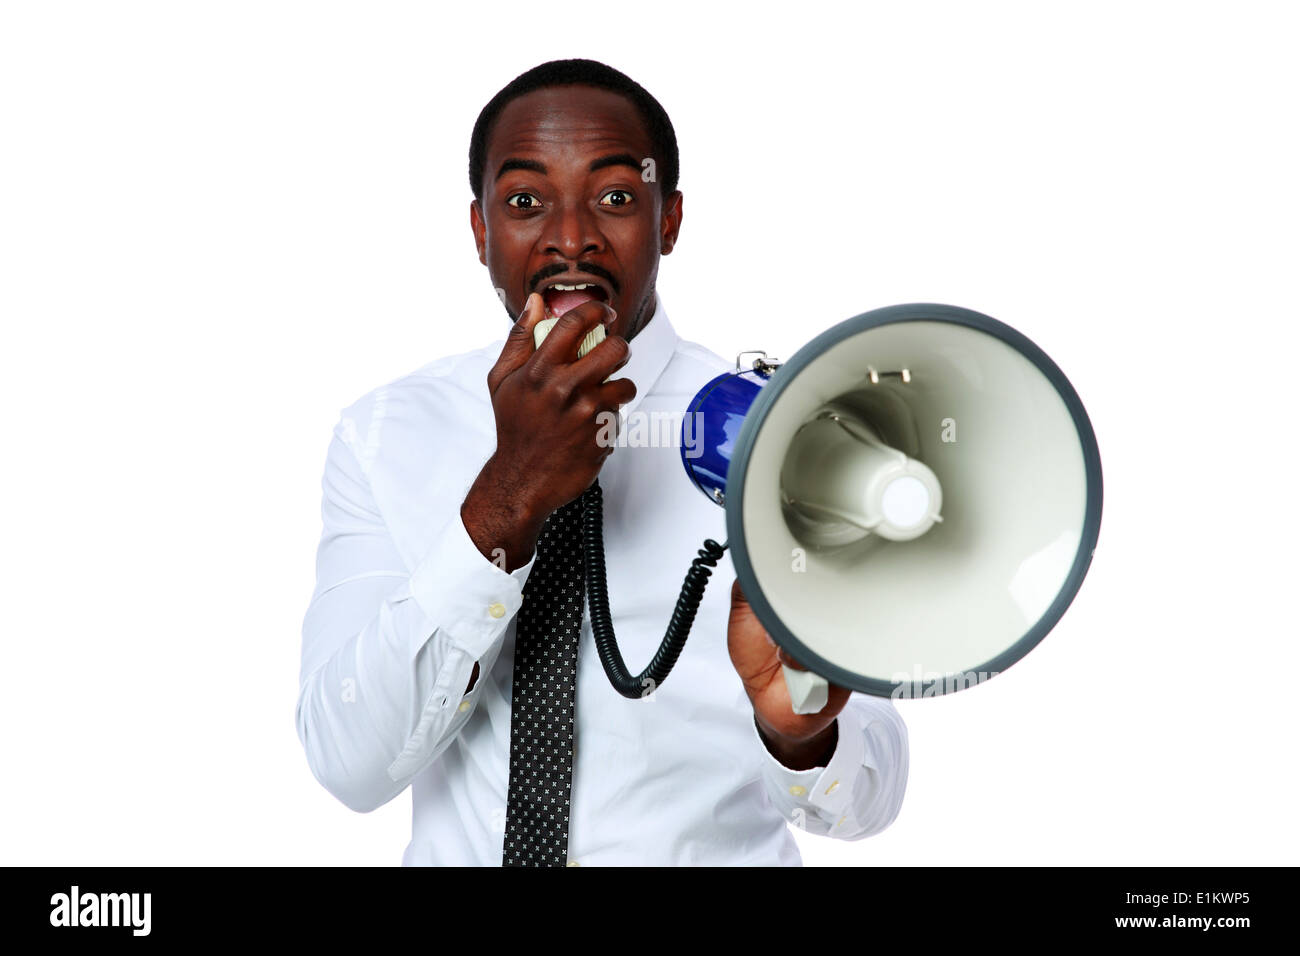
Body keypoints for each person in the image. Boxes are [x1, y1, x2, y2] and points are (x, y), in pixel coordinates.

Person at [295, 58, 909, 866]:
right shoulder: (385, 435)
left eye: (616, 196)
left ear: (669, 221)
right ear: (481, 232)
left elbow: (875, 793)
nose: (571, 235)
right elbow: (348, 763)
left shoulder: (775, 432)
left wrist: (799, 728)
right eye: (523, 202)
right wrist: (505, 500)